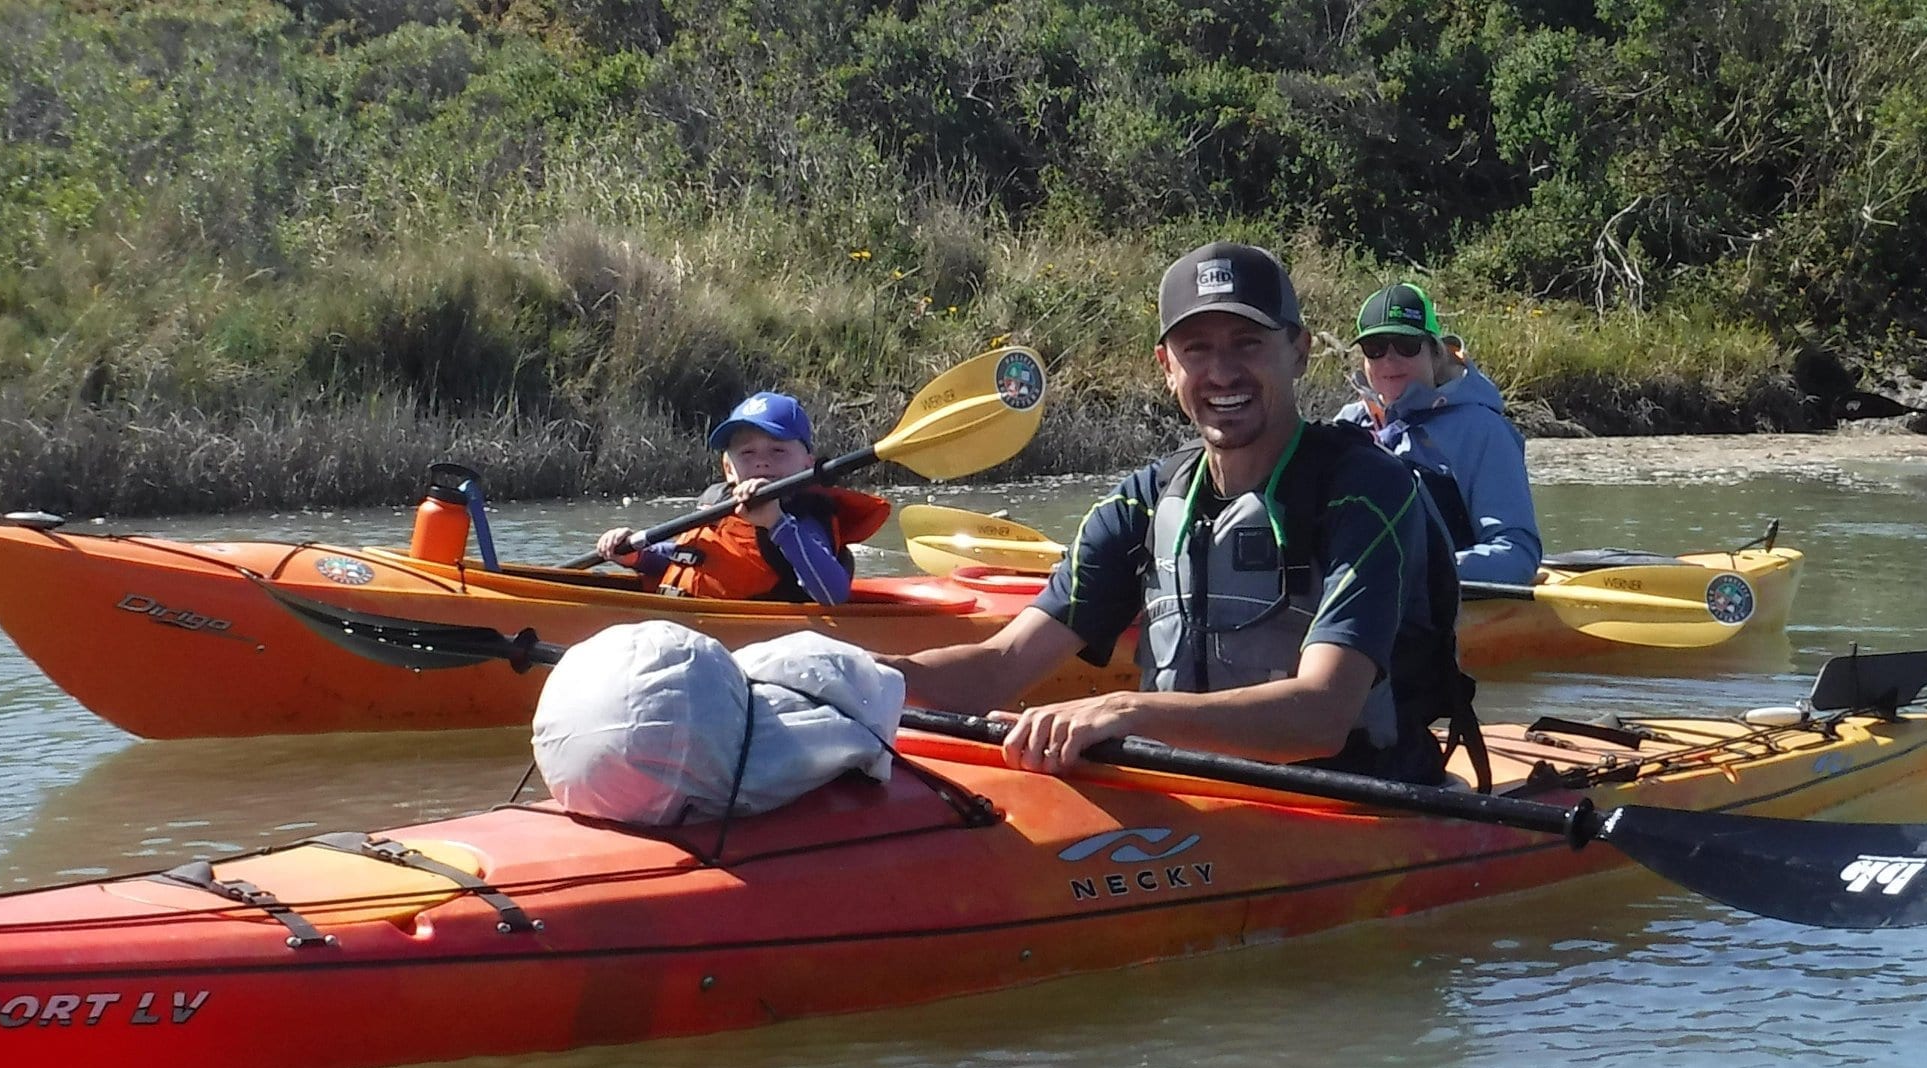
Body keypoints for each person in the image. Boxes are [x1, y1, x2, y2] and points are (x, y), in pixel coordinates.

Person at [882, 243, 1480, 786]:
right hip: (1182, 793)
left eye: (1247, 344)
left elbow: (1321, 715)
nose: (1221, 373)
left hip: (1352, 802)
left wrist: (1122, 711)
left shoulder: (1366, 491)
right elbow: (1001, 665)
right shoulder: (1141, 502)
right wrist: (861, 677)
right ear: (1167, 366)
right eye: (1197, 350)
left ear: (1297, 352)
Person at [596, 392, 890, 605]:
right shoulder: (717, 504)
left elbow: (833, 594)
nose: (762, 463)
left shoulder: (803, 517)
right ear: (728, 468)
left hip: (751, 645)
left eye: (777, 451)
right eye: (747, 453)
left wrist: (777, 523)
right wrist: (637, 556)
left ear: (806, 463)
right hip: (680, 623)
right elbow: (684, 559)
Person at [1335, 283, 1542, 586]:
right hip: (1354, 592)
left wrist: (1418, 572)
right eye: (1375, 349)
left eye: (1406, 346)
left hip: (1437, 605)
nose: (1389, 360)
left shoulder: (1481, 430)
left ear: (1435, 352)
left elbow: (1517, 554)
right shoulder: (1348, 425)